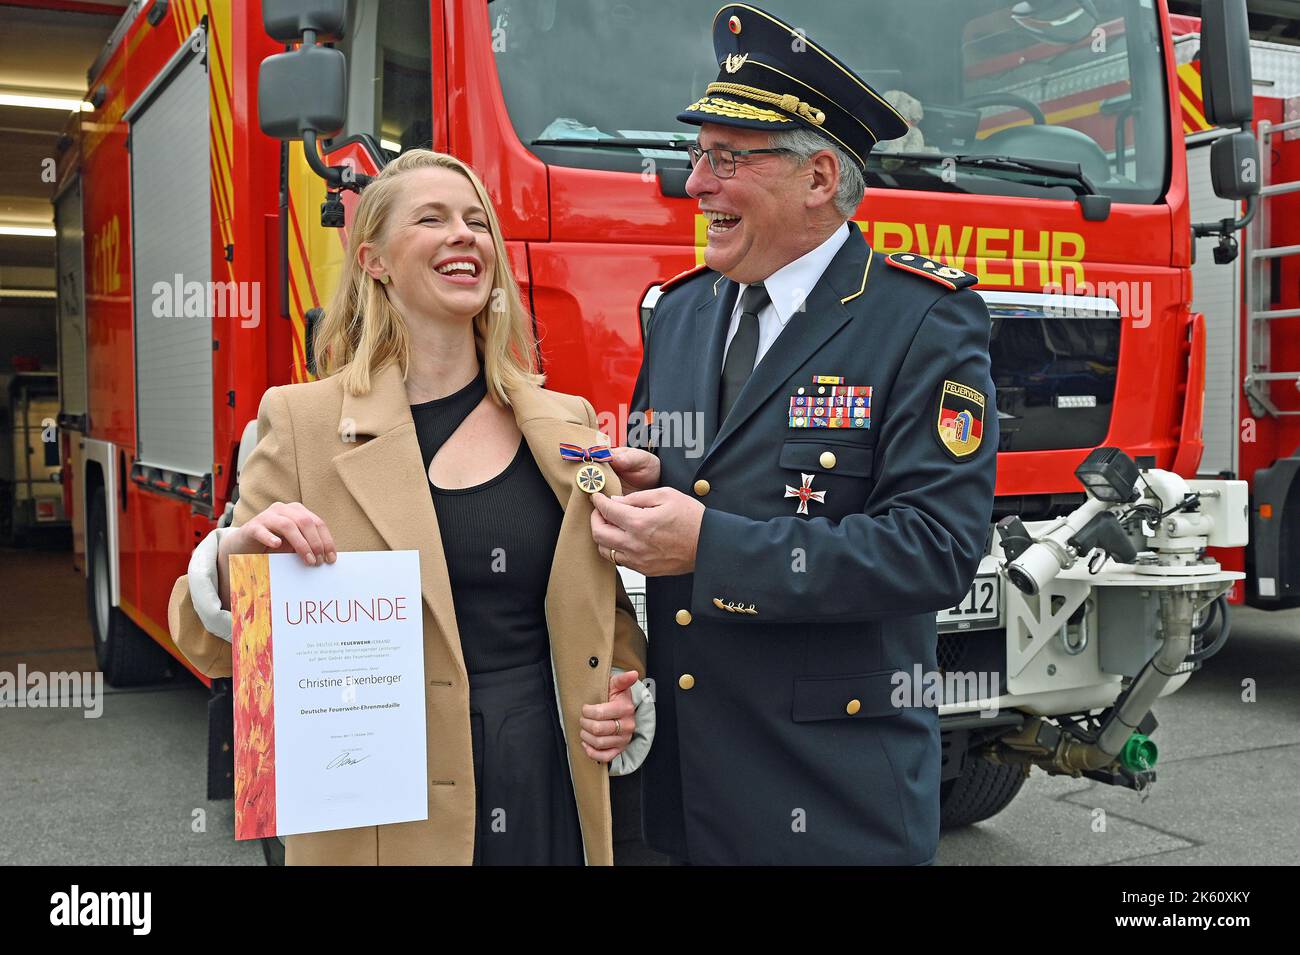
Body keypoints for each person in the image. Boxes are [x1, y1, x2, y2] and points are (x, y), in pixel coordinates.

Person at [589, 4, 997, 864]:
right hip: (687, 792)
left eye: (728, 158)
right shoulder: (681, 312)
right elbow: (696, 481)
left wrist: (710, 546)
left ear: (818, 179)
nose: (696, 182)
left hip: (833, 792)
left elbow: (934, 548)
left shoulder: (922, 319)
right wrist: (635, 481)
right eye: (697, 155)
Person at [168, 149, 653, 866]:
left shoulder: (567, 423)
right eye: (432, 219)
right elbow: (203, 637)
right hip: (379, 808)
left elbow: (605, 613)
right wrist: (236, 556)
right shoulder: (301, 421)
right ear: (375, 260)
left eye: (476, 222)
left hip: (544, 785)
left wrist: (621, 688)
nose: (465, 235)